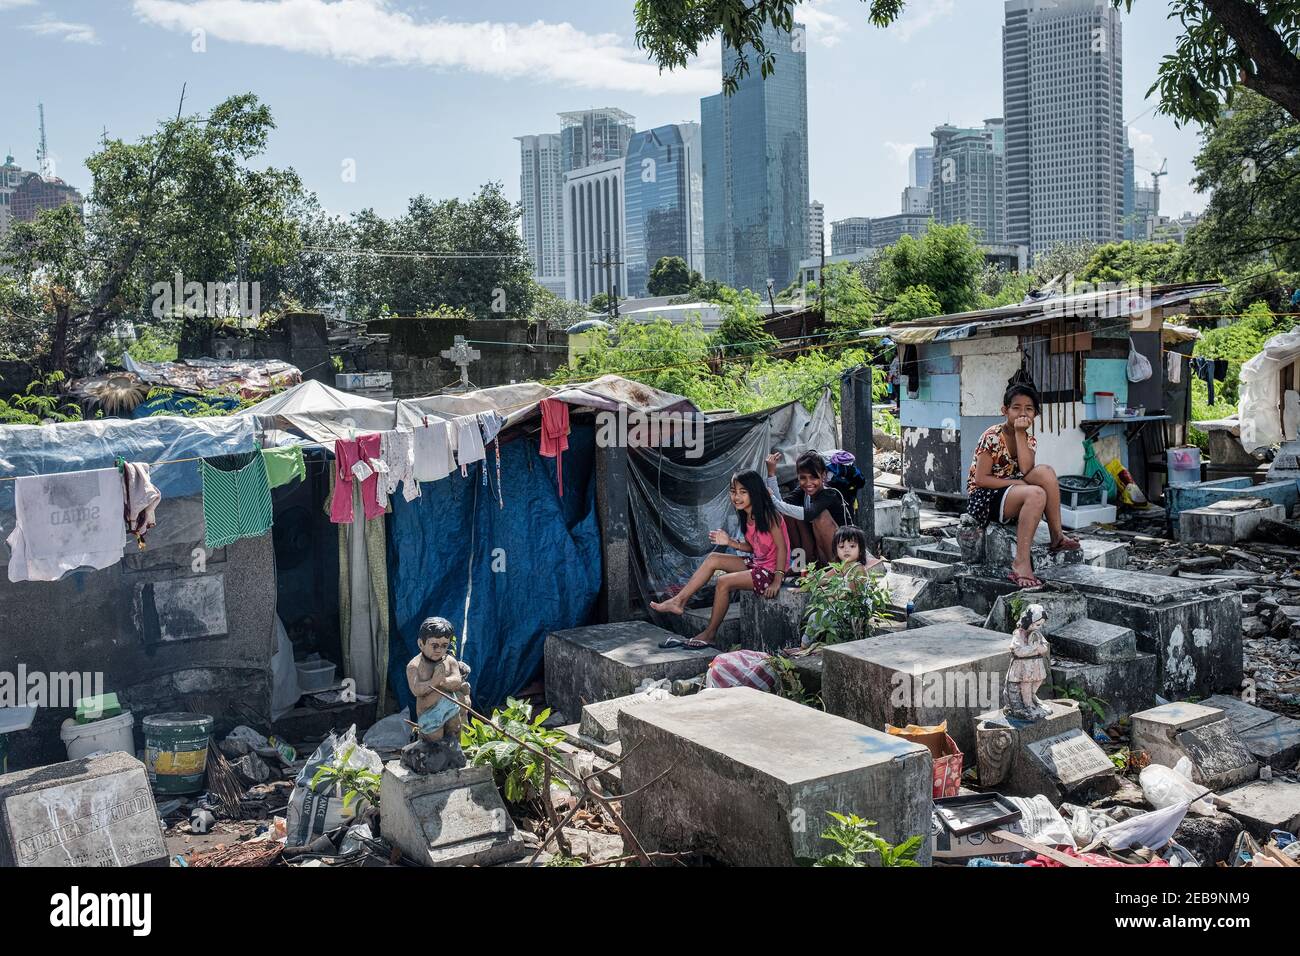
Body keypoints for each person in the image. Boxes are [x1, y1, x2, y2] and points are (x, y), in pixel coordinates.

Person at [650, 469, 790, 649]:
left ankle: (710, 634)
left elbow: (782, 548)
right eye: (733, 491)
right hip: (758, 564)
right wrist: (730, 542)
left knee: (723, 582)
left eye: (742, 492)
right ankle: (679, 601)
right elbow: (752, 546)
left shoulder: (770, 515)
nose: (736, 497)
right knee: (713, 558)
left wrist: (777, 580)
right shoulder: (747, 514)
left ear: (754, 492)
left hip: (771, 571)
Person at [966, 383, 1079, 588]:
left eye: (1028, 408)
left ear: (1035, 414)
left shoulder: (1029, 439)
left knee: (1046, 472)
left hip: (1012, 490)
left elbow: (1027, 470)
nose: (1022, 413)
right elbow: (980, 479)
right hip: (985, 496)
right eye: (1016, 407)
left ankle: (1057, 536)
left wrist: (1020, 434)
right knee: (1036, 494)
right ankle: (1021, 562)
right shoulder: (992, 436)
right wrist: (1015, 482)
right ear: (1005, 410)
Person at [764, 451, 849, 567]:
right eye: (803, 478)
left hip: (841, 552)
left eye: (813, 477)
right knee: (789, 514)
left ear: (823, 475)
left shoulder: (830, 494)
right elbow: (782, 508)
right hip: (817, 552)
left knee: (821, 517)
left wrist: (772, 499)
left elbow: (810, 514)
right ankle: (803, 566)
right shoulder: (802, 491)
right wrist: (771, 474)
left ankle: (836, 570)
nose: (808, 483)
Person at [405, 616, 472, 743]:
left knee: (454, 730)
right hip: (429, 713)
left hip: (451, 708)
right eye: (434, 645)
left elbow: (457, 681)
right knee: (434, 738)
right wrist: (433, 682)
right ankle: (430, 755)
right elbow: (416, 689)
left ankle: (453, 754)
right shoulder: (414, 666)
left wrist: (444, 681)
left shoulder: (449, 661)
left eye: (444, 645)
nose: (439, 650)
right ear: (421, 644)